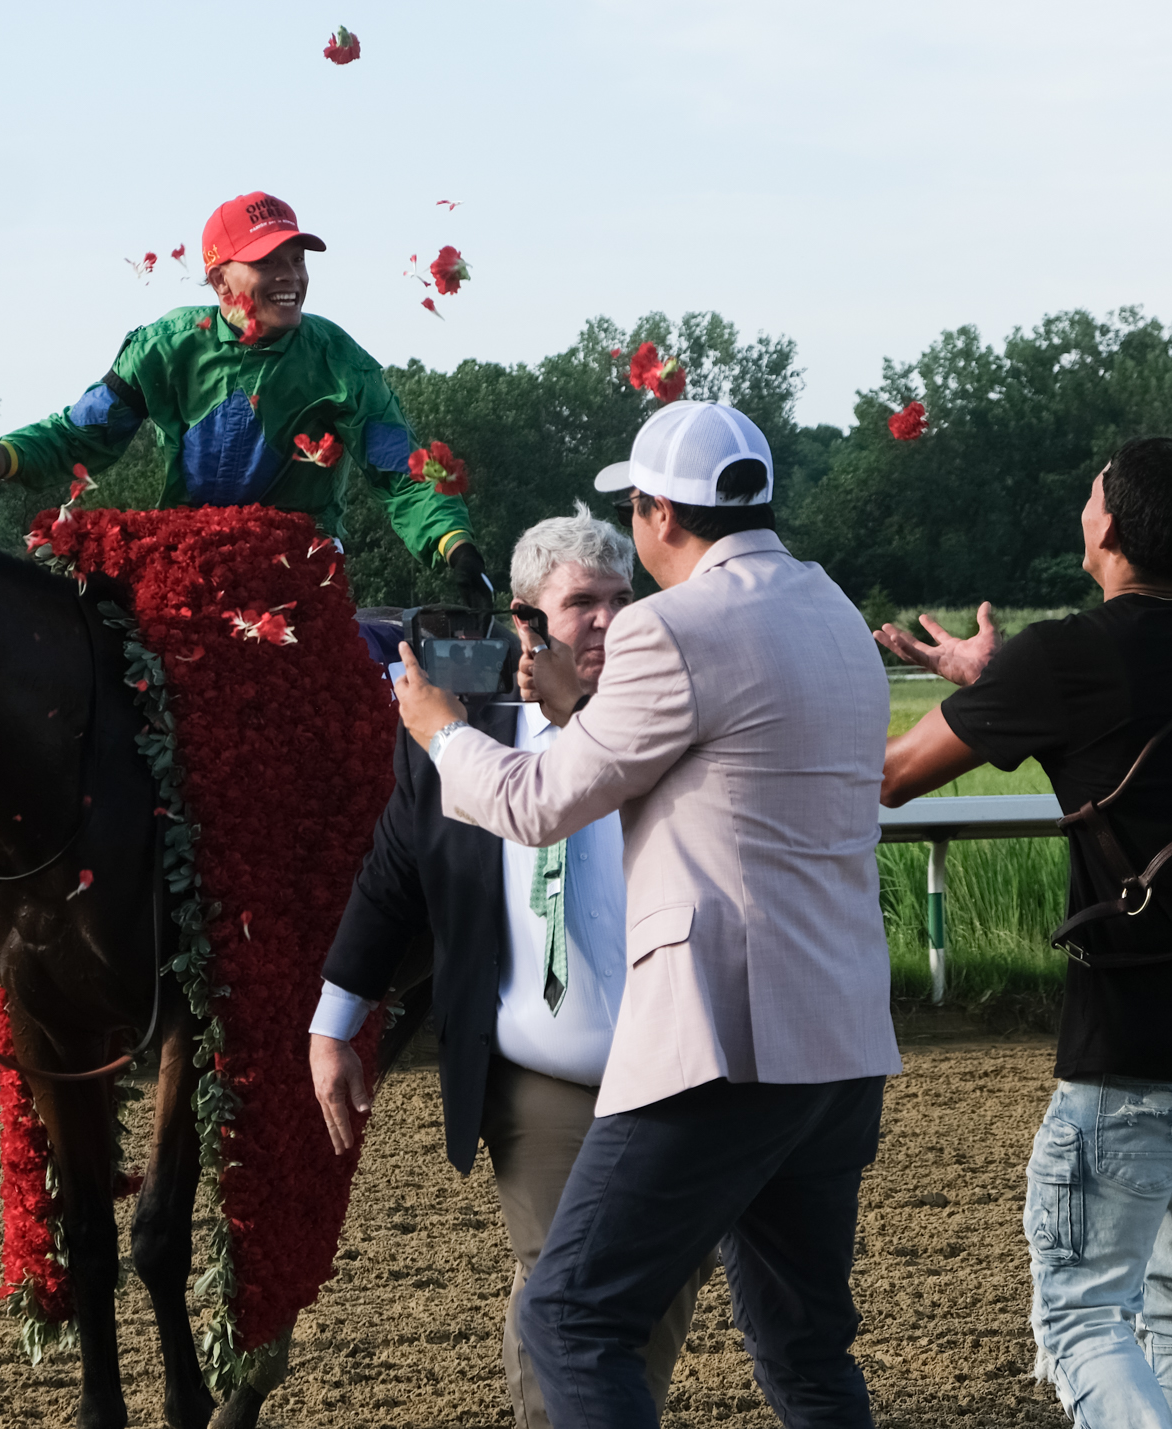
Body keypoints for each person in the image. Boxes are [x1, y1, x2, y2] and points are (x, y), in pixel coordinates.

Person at [394, 400, 901, 1429]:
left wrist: (440, 730)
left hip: (721, 1038)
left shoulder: (666, 629)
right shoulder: (831, 608)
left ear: (652, 509)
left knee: (570, 1318)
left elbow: (536, 804)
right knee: (803, 1349)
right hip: (840, 1036)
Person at [876, 436, 1172, 1429]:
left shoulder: (1066, 654)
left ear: (1103, 524)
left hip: (1131, 1063)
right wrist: (992, 679)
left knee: (1079, 1313)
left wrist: (990, 682)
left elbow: (889, 778)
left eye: (1087, 492)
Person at [310, 502, 712, 1428]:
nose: (610, 619)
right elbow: (394, 872)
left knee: (633, 1301)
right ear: (526, 618)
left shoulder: (675, 715)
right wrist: (335, 1021)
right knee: (563, 1291)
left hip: (683, 1073)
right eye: (585, 603)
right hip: (539, 1077)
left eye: (623, 598)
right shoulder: (459, 733)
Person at [0, 189, 494, 608]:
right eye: (268, 261)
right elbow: (80, 435)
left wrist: (455, 545)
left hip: (298, 579)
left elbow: (402, 473)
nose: (290, 274)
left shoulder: (340, 362)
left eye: (297, 259)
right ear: (220, 282)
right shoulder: (164, 347)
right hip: (183, 568)